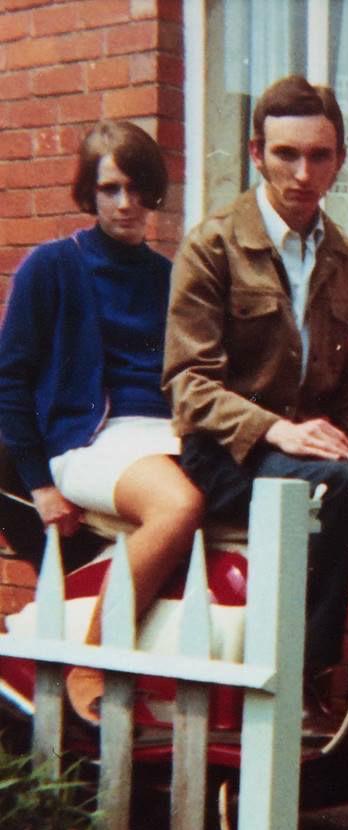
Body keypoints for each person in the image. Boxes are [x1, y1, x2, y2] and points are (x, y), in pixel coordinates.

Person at [163, 75, 348, 734]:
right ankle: (309, 680)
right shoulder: (212, 245)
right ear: (257, 153)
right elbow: (188, 384)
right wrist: (275, 431)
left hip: (301, 458)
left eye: (319, 156)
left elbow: (344, 381)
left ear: (339, 161)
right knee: (341, 490)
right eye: (286, 154)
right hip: (222, 456)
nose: (302, 172)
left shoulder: (345, 258)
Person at [0, 120, 204, 722]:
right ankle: (90, 659)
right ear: (89, 193)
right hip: (88, 441)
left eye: (138, 188)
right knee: (179, 508)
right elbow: (9, 379)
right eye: (111, 188)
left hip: (163, 437)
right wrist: (40, 487)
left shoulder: (169, 277)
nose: (126, 203)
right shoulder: (53, 267)